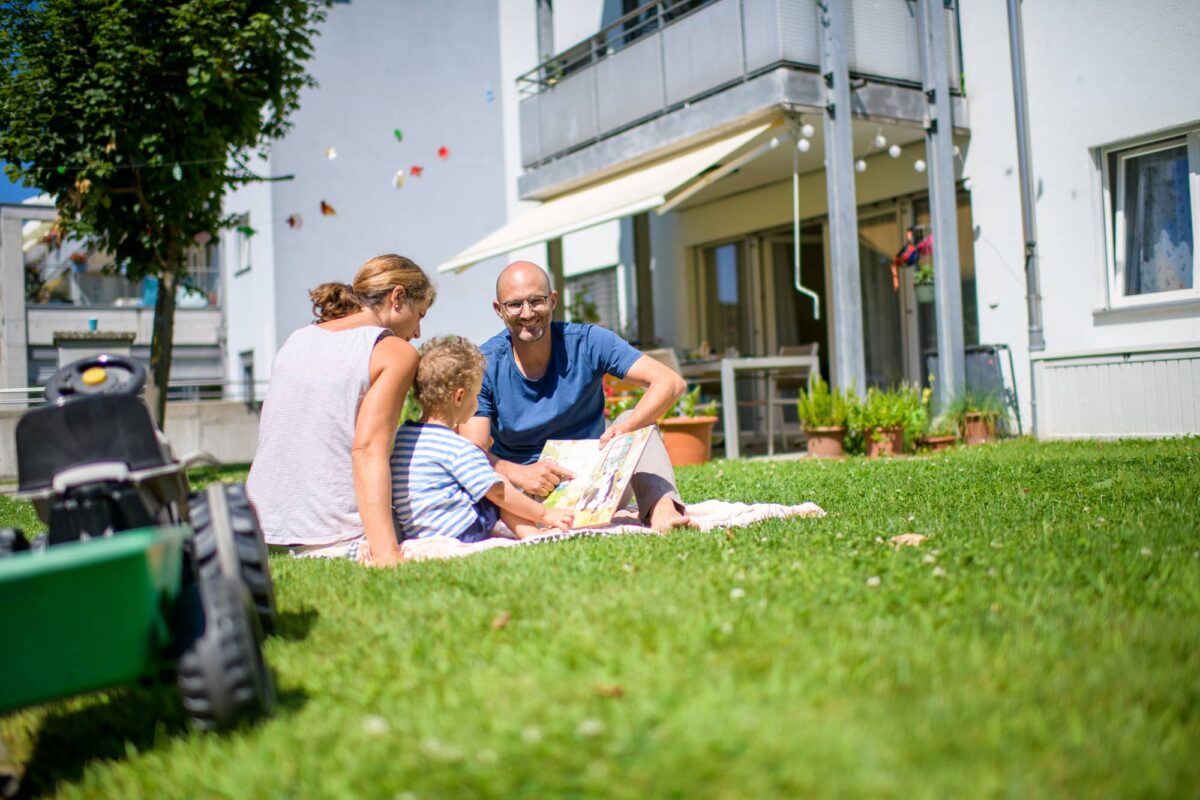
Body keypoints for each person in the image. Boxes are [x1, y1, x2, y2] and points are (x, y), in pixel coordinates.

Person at [460, 261, 693, 532]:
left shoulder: (588, 341)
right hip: (524, 498)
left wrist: (625, 428)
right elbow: (471, 453)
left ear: (553, 300)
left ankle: (663, 511)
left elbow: (670, 382)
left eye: (536, 301)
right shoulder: (483, 365)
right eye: (514, 305)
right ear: (498, 309)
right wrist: (521, 474)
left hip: (597, 484)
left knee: (634, 420)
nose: (527, 313)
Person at [246, 254, 434, 567]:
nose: (417, 332)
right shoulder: (393, 352)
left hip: (257, 530)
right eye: (420, 315)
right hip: (330, 536)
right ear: (398, 297)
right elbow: (368, 450)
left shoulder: (298, 338)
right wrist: (386, 553)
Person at [390, 337, 574, 542]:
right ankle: (533, 536)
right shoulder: (457, 447)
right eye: (476, 395)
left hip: (420, 532)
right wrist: (544, 513)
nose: (477, 403)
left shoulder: (405, 436)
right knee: (498, 484)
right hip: (460, 531)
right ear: (459, 397)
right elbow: (499, 493)